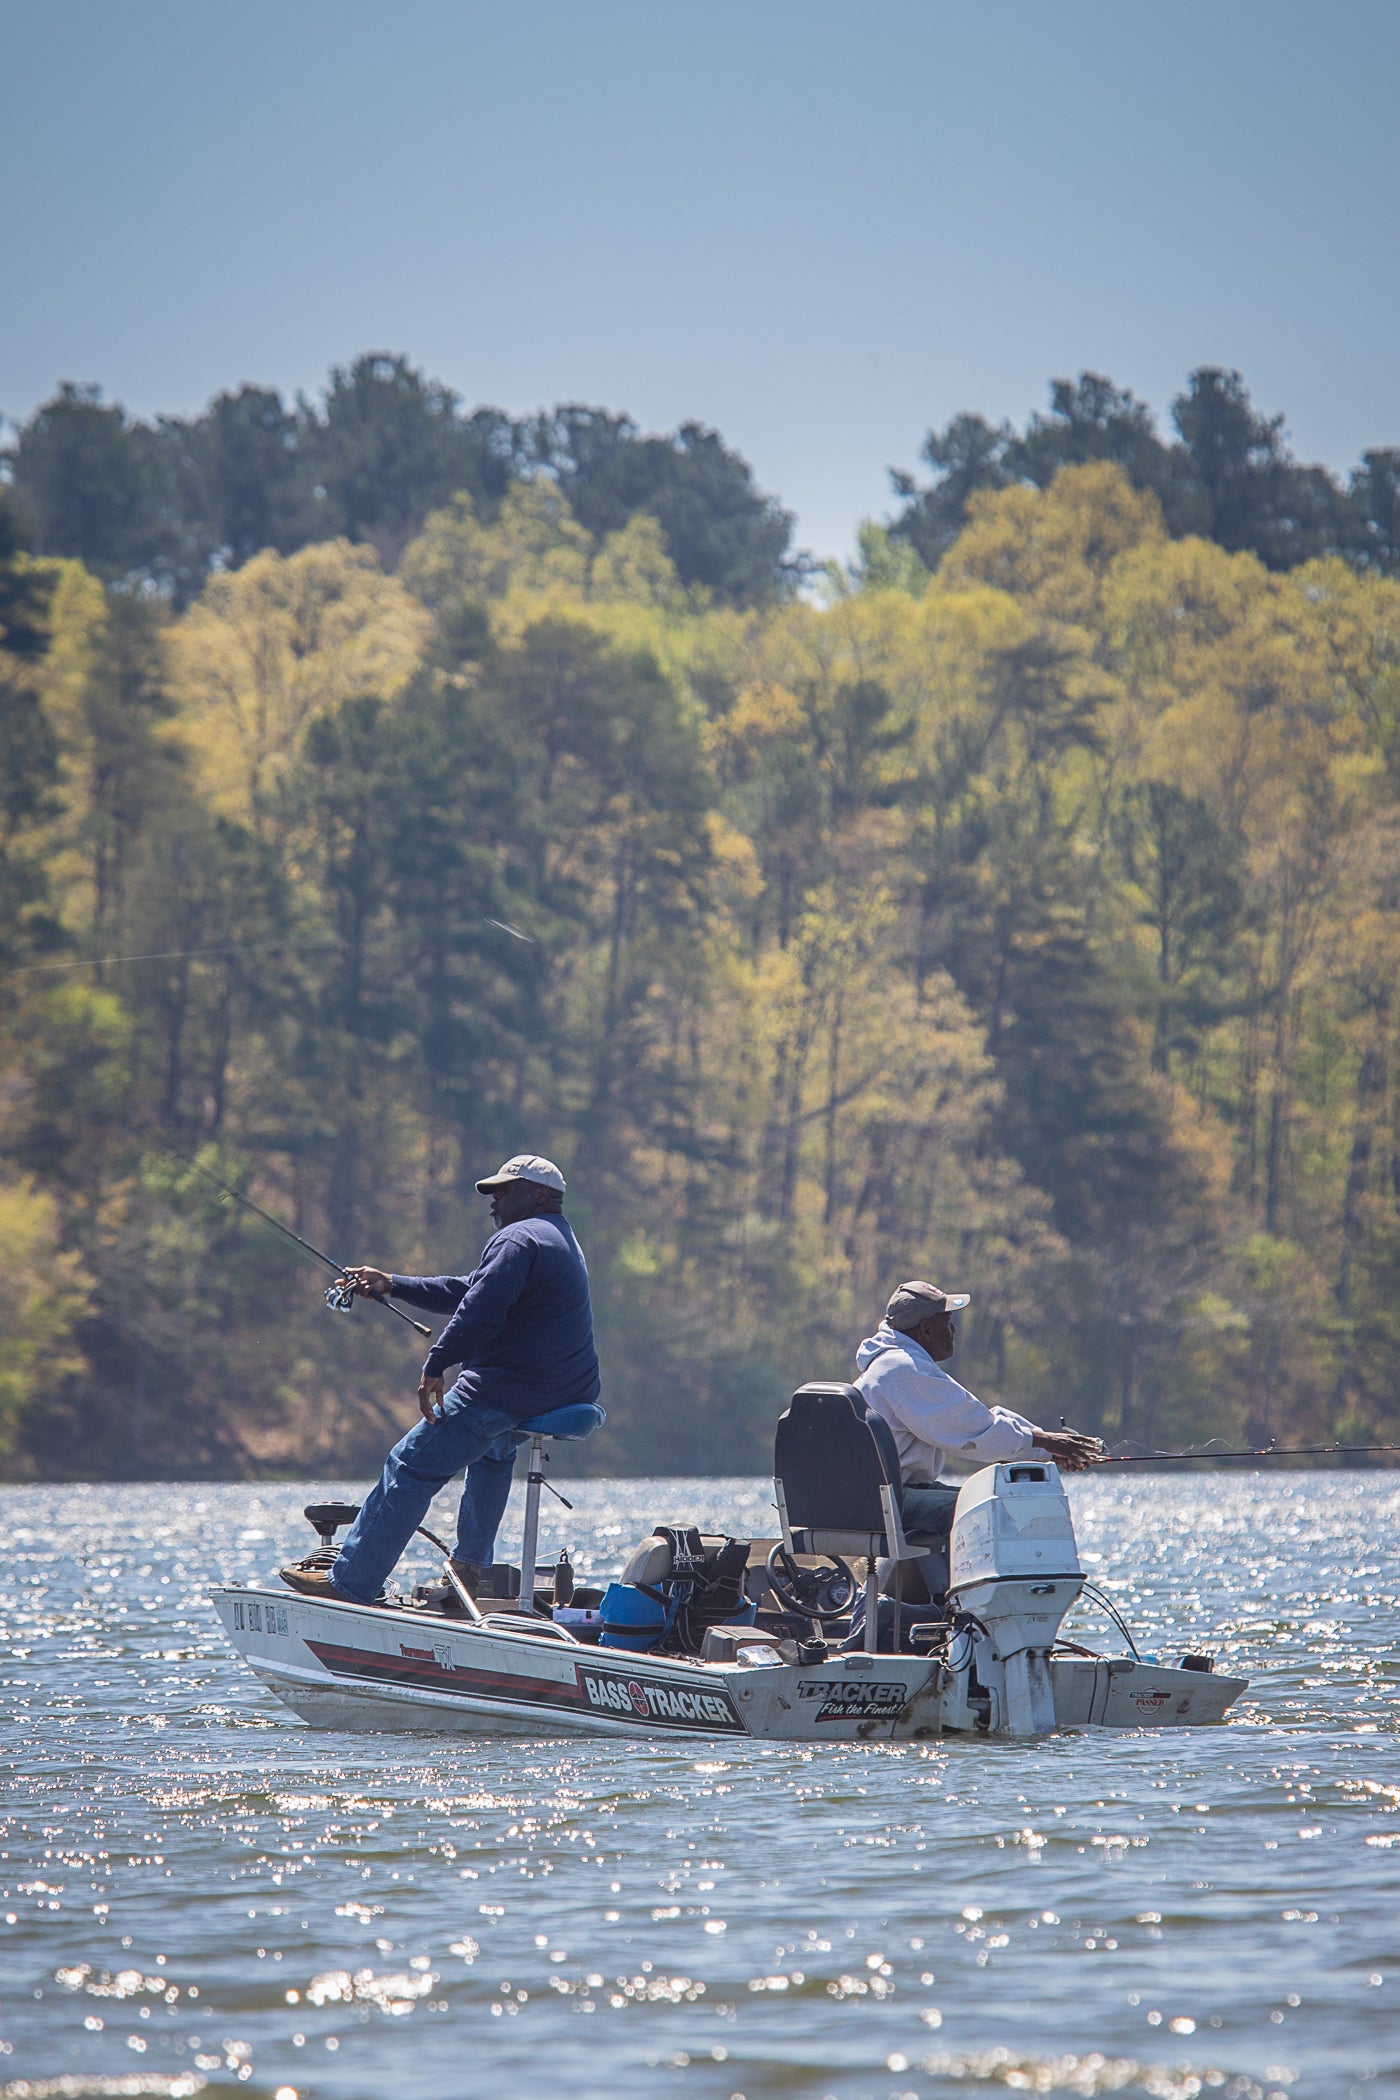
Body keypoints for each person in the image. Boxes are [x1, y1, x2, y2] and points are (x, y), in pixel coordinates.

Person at [281, 1153, 600, 1605]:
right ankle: (469, 1572)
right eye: (492, 1193)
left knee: (408, 1465)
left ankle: (351, 1583)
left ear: (541, 1194)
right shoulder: (556, 1239)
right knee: (492, 1452)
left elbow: (479, 1311)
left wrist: (437, 1363)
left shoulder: (518, 1238)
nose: (493, 1202)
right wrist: (391, 1283)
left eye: (504, 1191)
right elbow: (470, 1289)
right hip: (560, 1391)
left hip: (510, 1390)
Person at [855, 1279, 1101, 1595]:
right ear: (927, 1328)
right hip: (887, 1502)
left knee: (984, 1500)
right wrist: (1050, 1445)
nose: (954, 1331)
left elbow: (980, 1417)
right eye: (948, 1323)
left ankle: (946, 1604)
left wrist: (1048, 1448)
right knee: (987, 1510)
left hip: (888, 1495)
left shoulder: (897, 1363)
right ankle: (969, 1609)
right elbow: (977, 1433)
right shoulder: (902, 1369)